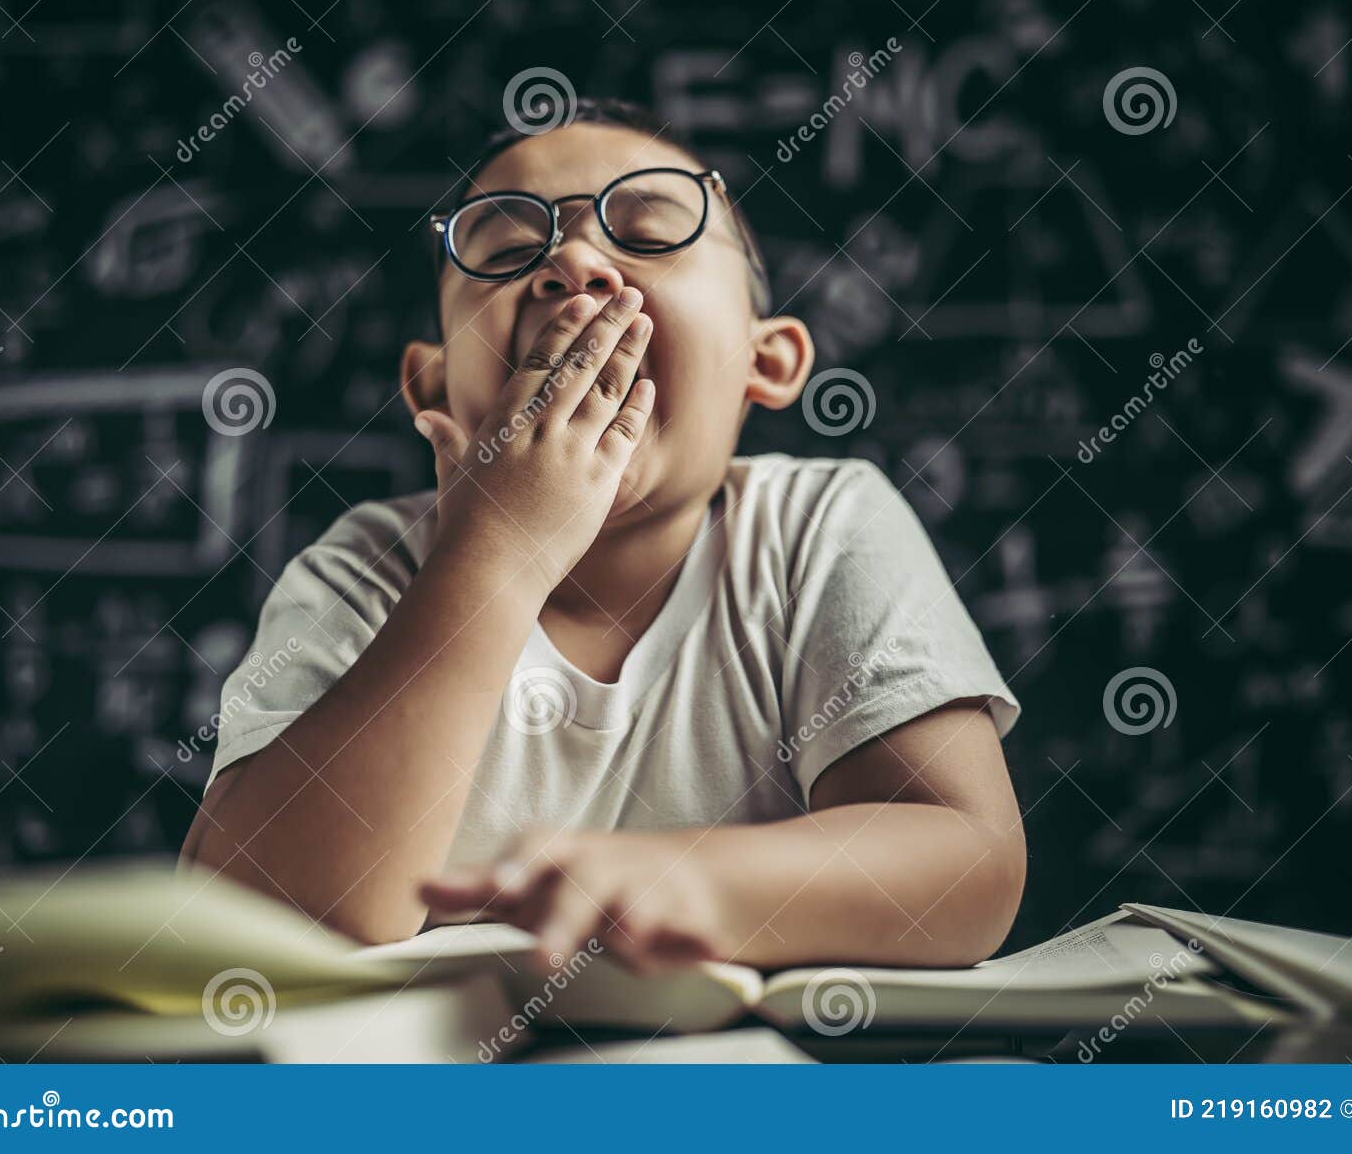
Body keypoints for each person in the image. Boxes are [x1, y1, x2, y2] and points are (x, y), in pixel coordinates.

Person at [182, 99, 1025, 971]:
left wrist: (692, 881)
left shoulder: (822, 523)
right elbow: (251, 922)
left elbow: (967, 862)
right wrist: (498, 554)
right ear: (431, 387)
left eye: (650, 236)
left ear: (764, 361)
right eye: (507, 253)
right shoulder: (363, 566)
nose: (574, 263)